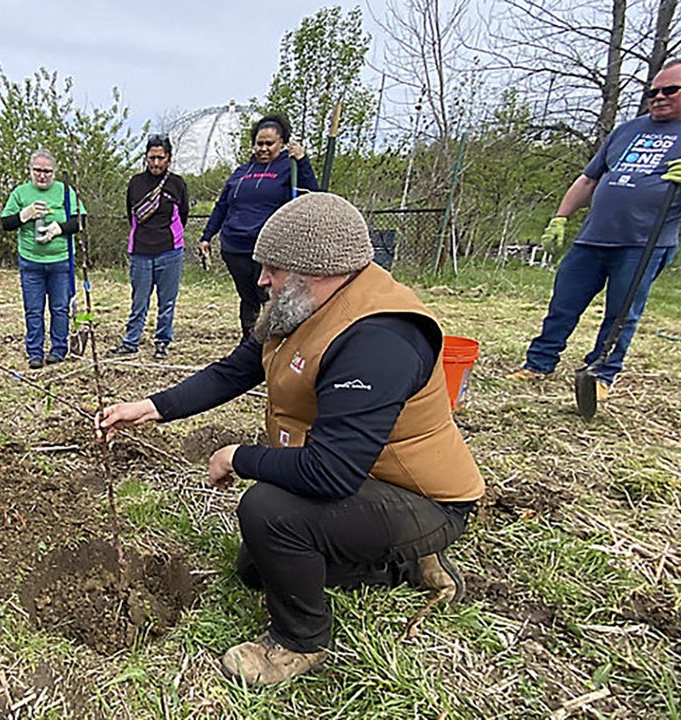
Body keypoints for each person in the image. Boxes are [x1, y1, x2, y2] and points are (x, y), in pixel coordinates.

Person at [99, 193, 484, 686]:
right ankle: (404, 565)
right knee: (257, 567)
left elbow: (330, 472)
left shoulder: (379, 339)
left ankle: (299, 641)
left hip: (423, 497)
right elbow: (235, 370)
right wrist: (150, 408)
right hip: (364, 481)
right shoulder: (304, 307)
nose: (262, 280)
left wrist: (238, 456)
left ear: (317, 270)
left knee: (269, 512)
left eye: (273, 270)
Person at [509, 58, 681, 399]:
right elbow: (589, 179)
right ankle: (538, 364)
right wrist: (561, 216)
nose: (658, 97)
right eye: (652, 92)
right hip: (593, 237)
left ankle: (600, 375)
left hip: (644, 242)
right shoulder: (627, 130)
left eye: (669, 90)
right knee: (563, 304)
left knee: (621, 314)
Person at [198, 114, 317, 341]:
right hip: (235, 246)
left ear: (281, 143)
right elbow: (222, 205)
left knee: (271, 297)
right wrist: (207, 235)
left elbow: (313, 194)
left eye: (269, 144)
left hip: (268, 248)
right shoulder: (241, 172)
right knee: (248, 298)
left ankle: (274, 340)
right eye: (259, 143)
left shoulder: (289, 168)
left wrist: (302, 161)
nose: (263, 148)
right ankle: (250, 341)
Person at [1, 149, 87, 368]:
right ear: (30, 170)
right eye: (37, 170)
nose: (42, 175)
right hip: (31, 261)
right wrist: (24, 215)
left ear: (54, 172)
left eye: (47, 171)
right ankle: (35, 353)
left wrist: (59, 228)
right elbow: (5, 223)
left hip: (61, 260)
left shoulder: (65, 191)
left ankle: (58, 349)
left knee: (60, 308)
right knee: (33, 308)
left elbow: (80, 221)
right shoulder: (20, 193)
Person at [108, 134, 190, 360]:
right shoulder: (135, 182)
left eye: (160, 158)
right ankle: (131, 341)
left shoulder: (177, 183)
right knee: (139, 301)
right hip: (141, 252)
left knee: (167, 301)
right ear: (145, 157)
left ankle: (163, 341)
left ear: (168, 158)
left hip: (170, 251)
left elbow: (183, 215)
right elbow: (130, 214)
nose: (155, 163)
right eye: (151, 158)